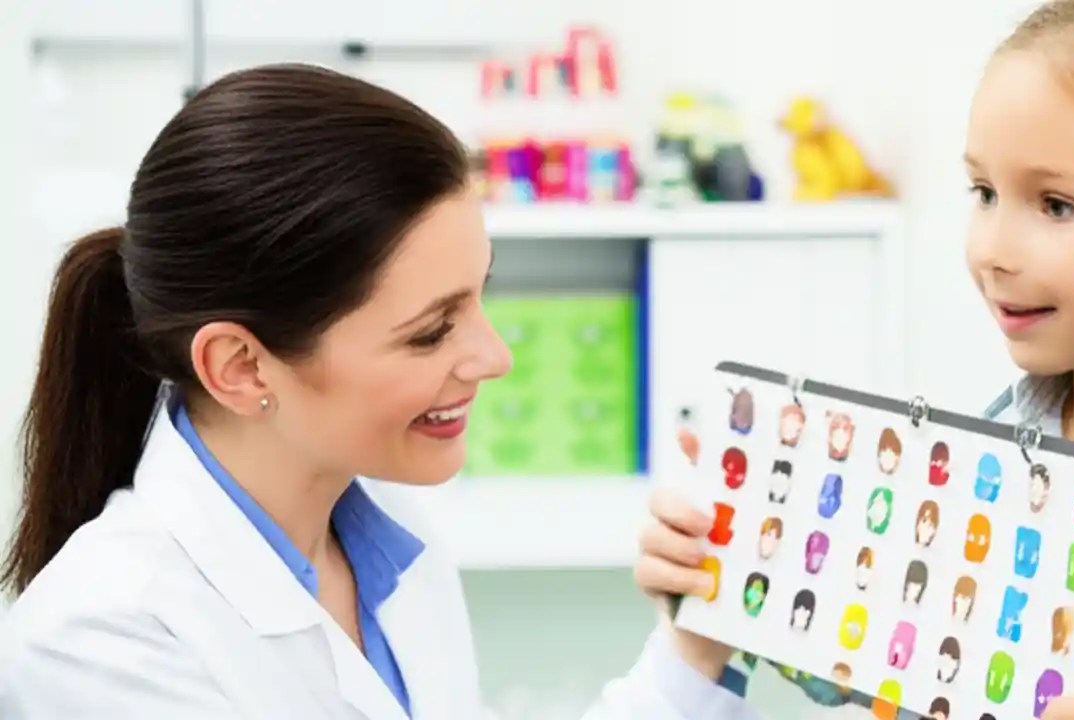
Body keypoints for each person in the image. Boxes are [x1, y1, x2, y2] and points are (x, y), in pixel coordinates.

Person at [0, 64, 759, 720]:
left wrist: (695, 643)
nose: (494, 358)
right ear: (240, 366)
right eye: (432, 331)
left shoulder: (386, 535)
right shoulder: (100, 640)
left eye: (477, 299)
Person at [672, 1, 1074, 717]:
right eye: (985, 193)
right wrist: (738, 568)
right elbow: (905, 658)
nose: (991, 249)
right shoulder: (995, 434)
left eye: (1055, 205)